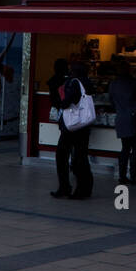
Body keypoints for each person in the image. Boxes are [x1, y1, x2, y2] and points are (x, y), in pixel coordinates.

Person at [108, 61, 136, 186]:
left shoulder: (113, 84)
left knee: (125, 148)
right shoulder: (135, 84)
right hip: (135, 119)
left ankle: (122, 176)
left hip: (121, 118)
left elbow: (111, 102)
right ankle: (134, 176)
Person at [65, 62, 95, 200]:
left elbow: (68, 100)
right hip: (86, 124)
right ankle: (87, 187)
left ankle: (80, 189)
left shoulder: (75, 83)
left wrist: (62, 103)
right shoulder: (88, 82)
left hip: (77, 124)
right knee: (83, 155)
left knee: (78, 157)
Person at [48, 58, 74, 199]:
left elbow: (58, 102)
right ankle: (81, 187)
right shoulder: (71, 82)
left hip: (66, 121)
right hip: (76, 123)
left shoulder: (55, 82)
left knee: (61, 155)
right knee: (78, 154)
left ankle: (64, 186)